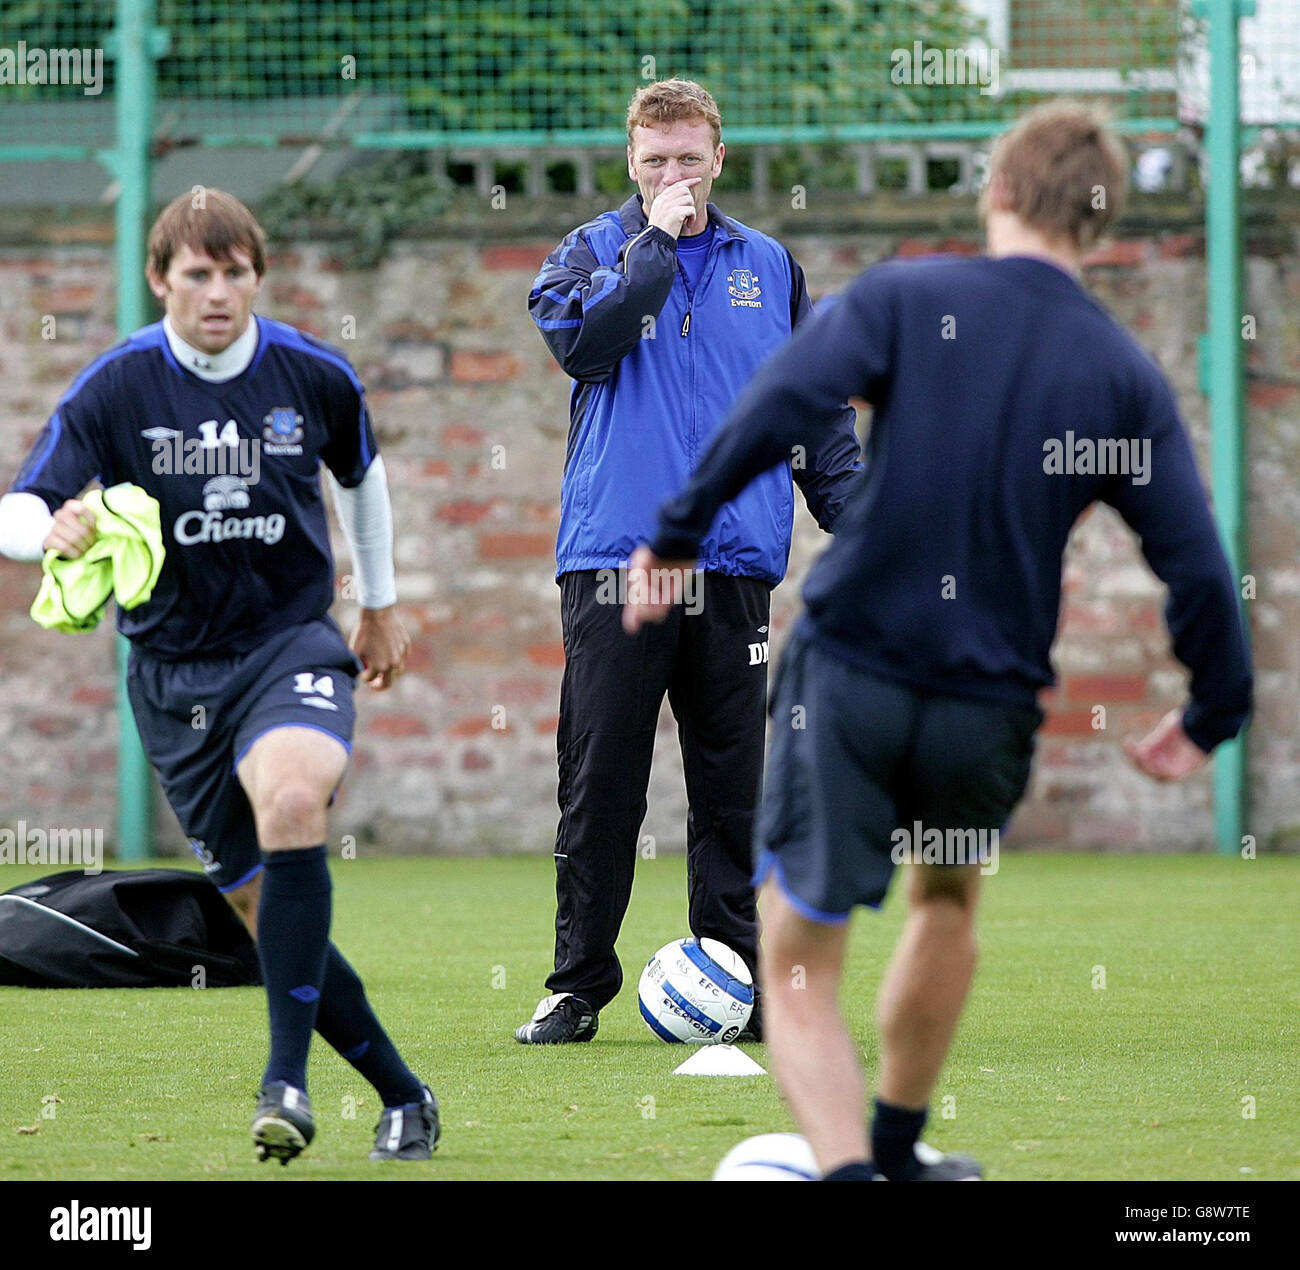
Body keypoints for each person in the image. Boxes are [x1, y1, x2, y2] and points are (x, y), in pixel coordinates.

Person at [624, 102, 1253, 1178]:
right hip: (987, 706)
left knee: (796, 953)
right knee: (946, 896)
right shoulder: (1121, 375)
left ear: (995, 193)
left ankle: (854, 1171)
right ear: (1098, 227)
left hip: (854, 676)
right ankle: (899, 1150)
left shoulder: (912, 296)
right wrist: (1209, 713)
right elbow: (1198, 565)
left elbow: (777, 401)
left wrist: (675, 534)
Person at [0, 189, 440, 1166]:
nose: (216, 291)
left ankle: (284, 1081)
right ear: (161, 277)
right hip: (171, 676)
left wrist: (378, 602)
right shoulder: (116, 388)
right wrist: (52, 528)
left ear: (256, 276)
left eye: (234, 271)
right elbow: (14, 509)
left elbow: (360, 473)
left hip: (288, 646)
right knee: (261, 918)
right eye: (196, 273)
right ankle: (404, 1094)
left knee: (292, 800)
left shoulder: (309, 373)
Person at [519, 79, 862, 1044]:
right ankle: (575, 984)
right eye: (656, 159)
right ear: (632, 161)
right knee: (602, 781)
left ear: (720, 155)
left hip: (736, 567)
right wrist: (654, 250)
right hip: (618, 564)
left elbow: (817, 413)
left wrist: (859, 522)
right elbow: (584, 348)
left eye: (690, 157)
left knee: (735, 791)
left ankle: (739, 980)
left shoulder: (772, 267)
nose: (675, 173)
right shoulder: (589, 254)